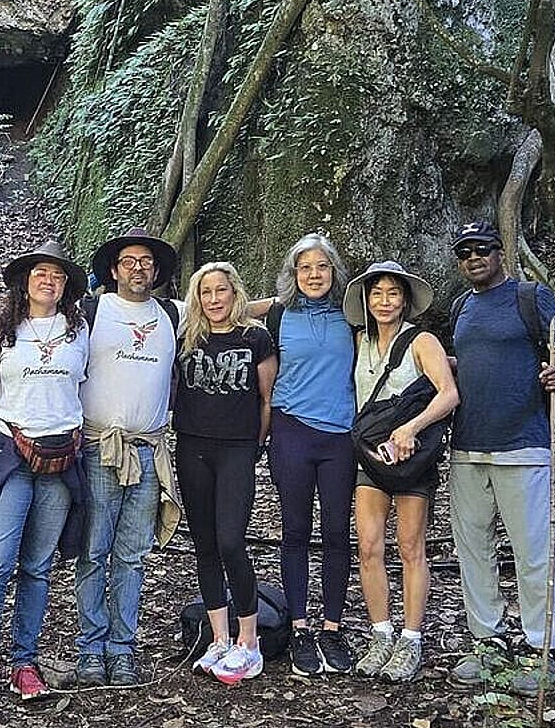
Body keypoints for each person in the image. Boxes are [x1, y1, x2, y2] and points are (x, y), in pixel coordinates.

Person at [0, 240, 90, 710]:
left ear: (67, 284)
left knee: (37, 567)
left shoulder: (81, 329)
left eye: (56, 274)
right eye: (39, 274)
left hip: (61, 457)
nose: (48, 281)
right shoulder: (0, 332)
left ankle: (25, 663)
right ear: (24, 283)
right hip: (11, 453)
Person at [447, 221, 555, 695]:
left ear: (500, 252)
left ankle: (543, 648)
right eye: (464, 253)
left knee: (535, 550)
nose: (473, 258)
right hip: (468, 443)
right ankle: (488, 641)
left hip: (523, 441)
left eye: (481, 249)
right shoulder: (461, 308)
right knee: (473, 549)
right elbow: (461, 364)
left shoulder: (530, 296)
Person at [74, 228, 185, 687]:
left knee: (133, 554)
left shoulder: (172, 315)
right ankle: (90, 649)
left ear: (155, 271)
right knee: (94, 550)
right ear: (114, 270)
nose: (138, 267)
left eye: (146, 261)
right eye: (129, 260)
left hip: (148, 449)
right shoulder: (91, 313)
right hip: (100, 447)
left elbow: (231, 307)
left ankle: (122, 648)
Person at [344, 260, 458, 682]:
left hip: (413, 456)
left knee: (411, 547)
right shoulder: (358, 341)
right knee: (369, 547)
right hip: (372, 457)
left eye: (393, 293)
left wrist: (410, 428)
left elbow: (448, 394)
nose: (384, 301)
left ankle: (410, 638)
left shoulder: (421, 341)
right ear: (366, 300)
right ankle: (380, 635)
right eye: (376, 293)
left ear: (405, 300)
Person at [251, 233, 357, 675]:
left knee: (336, 532)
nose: (314, 275)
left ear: (334, 272)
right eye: (305, 267)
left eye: (322, 267)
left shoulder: (353, 315)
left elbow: (399, 334)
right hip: (291, 431)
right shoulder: (279, 314)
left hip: (341, 437)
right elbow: (232, 308)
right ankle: (299, 626)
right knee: (295, 531)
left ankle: (331, 628)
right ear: (293, 274)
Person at [174, 262, 277, 686]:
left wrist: (256, 445)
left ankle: (248, 642)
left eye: (221, 291)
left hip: (237, 448)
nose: (214, 299)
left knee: (231, 541)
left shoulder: (256, 337)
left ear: (235, 292)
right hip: (192, 445)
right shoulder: (188, 337)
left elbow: (266, 400)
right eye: (205, 292)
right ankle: (218, 637)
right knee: (204, 544)